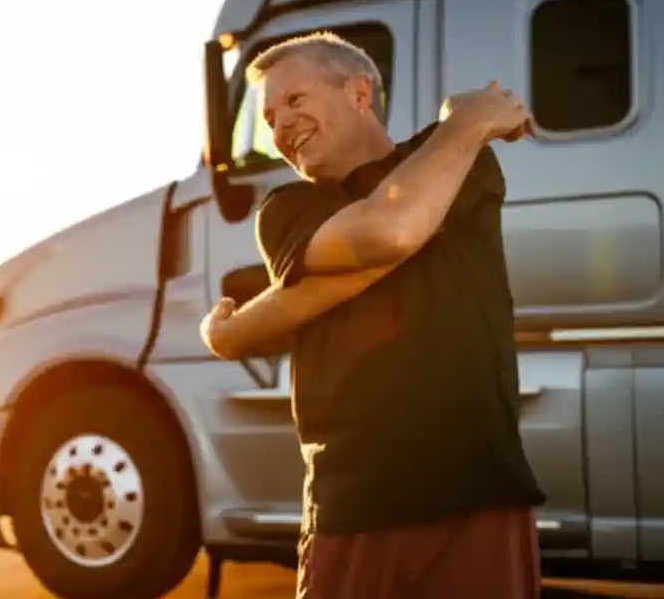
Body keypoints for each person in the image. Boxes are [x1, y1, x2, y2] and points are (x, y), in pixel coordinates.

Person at [199, 31, 547, 598]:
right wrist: (466, 118)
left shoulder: (459, 159)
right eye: (268, 116)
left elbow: (390, 232)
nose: (279, 126)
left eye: (294, 100)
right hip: (355, 506)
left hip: (480, 497)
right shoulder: (288, 208)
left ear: (360, 93)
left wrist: (241, 330)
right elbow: (387, 234)